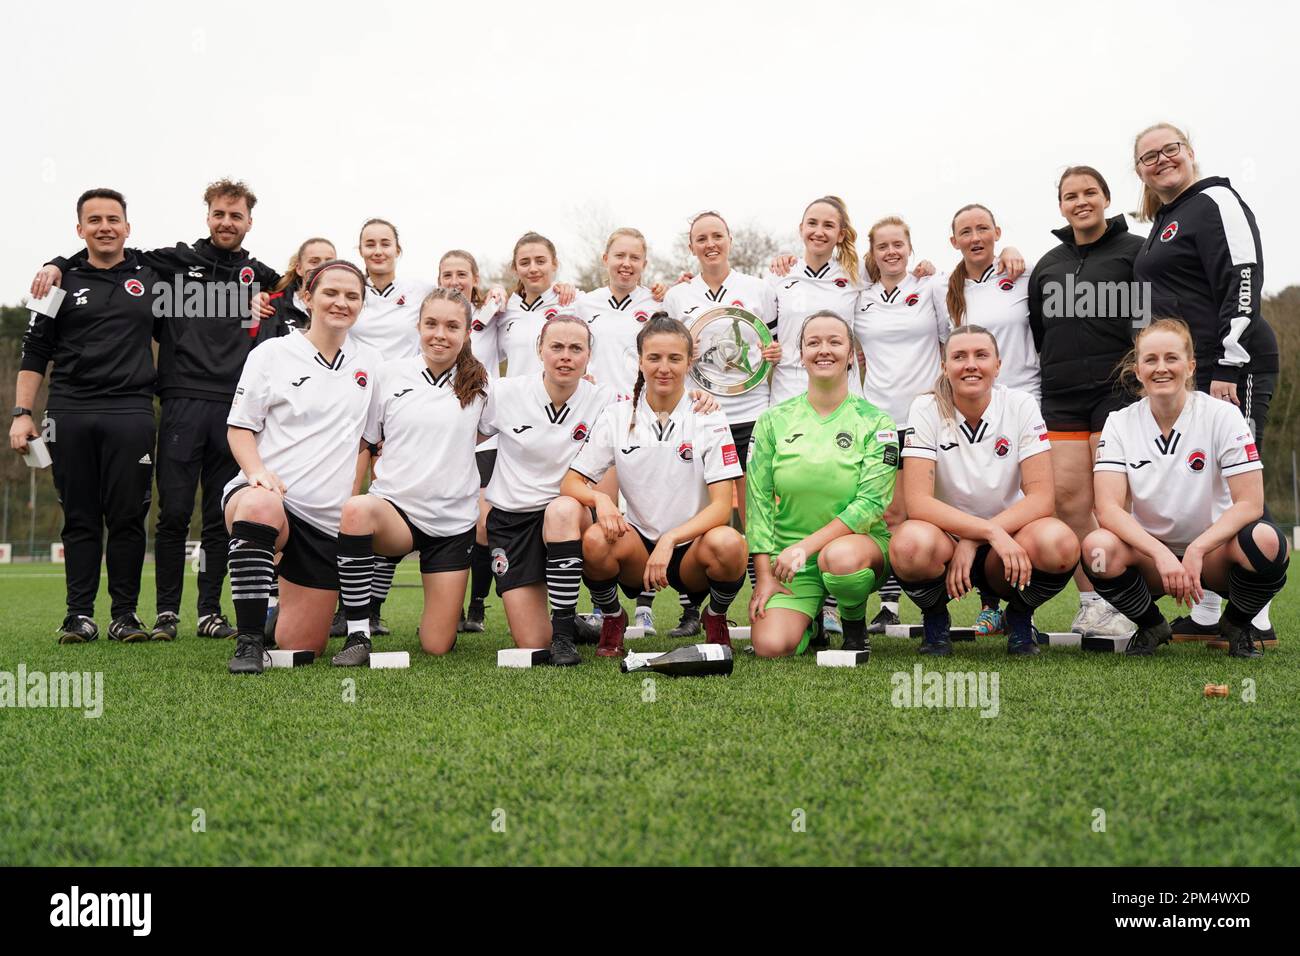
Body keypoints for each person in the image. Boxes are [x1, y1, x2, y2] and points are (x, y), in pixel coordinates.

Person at [31, 179, 280, 642]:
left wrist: (272, 300)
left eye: (237, 215)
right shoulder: (171, 262)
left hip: (234, 409)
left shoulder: (258, 276)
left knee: (220, 518)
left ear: (249, 221)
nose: (227, 222)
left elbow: (300, 285)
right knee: (173, 513)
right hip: (179, 400)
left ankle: (210, 611)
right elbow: (104, 256)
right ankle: (167, 612)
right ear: (207, 216)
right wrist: (57, 263)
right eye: (220, 214)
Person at [1130, 122, 1280, 646]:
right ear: (1140, 171)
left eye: (1170, 149)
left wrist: (1228, 366)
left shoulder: (1216, 199)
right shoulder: (1166, 219)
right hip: (1187, 370)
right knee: (1205, 486)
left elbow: (1243, 276)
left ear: (1190, 152)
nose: (1161, 160)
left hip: (1228, 365)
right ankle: (1208, 612)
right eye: (1149, 156)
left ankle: (1255, 618)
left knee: (1239, 483)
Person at [1082, 319, 1288, 657]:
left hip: (1214, 556)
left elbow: (1250, 503)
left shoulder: (1223, 416)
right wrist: (1161, 553)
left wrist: (1197, 550)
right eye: (1151, 360)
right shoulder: (1119, 422)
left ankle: (1236, 625)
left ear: (1190, 366)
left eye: (1171, 358)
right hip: (1152, 557)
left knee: (1267, 542)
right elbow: (1107, 509)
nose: (1161, 368)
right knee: (1097, 550)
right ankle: (1152, 626)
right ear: (1138, 369)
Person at [12, 188, 160, 643]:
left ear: (127, 227)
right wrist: (21, 413)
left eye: (113, 218)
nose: (104, 226)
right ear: (80, 230)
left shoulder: (151, 275)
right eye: (93, 220)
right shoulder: (59, 281)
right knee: (78, 515)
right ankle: (78, 615)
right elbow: (35, 350)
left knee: (128, 516)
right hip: (68, 411)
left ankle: (125, 615)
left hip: (132, 411)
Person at [221, 260, 381, 674]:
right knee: (260, 507)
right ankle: (248, 642)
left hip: (325, 522)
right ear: (307, 297)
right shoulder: (272, 353)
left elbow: (373, 438)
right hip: (267, 500)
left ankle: (269, 614)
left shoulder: (372, 364)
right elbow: (239, 429)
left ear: (362, 305)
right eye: (331, 293)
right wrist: (256, 473)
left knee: (302, 645)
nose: (341, 303)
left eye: (352, 296)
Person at [560, 315, 748, 657]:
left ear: (689, 362)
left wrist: (671, 538)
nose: (664, 368)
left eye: (675, 358)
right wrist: (601, 501)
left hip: (690, 548)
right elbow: (571, 483)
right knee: (595, 539)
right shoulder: (617, 416)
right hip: (637, 548)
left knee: (731, 543)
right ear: (640, 360)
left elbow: (722, 508)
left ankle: (715, 616)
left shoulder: (709, 415)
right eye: (654, 358)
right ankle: (614, 618)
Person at [890, 326, 1079, 655]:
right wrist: (981, 532)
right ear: (944, 366)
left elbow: (1042, 497)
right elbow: (917, 502)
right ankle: (935, 617)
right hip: (946, 543)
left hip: (1007, 543)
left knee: (1060, 544)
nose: (970, 364)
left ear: (998, 365)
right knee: (907, 545)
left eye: (981, 355)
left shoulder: (1021, 405)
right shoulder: (924, 408)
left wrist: (980, 536)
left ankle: (1019, 616)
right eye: (959, 356)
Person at [331, 288, 488, 665]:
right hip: (396, 513)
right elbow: (365, 444)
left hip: (452, 527)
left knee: (437, 645)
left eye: (452, 326)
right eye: (431, 323)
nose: (440, 334)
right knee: (356, 511)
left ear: (467, 333)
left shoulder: (483, 386)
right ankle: (357, 632)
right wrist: (346, 501)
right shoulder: (388, 374)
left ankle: (440, 618)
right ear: (417, 326)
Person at [1027, 166, 1144, 640]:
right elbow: (1039, 329)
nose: (1081, 201)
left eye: (1089, 193)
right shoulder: (1048, 263)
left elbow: (1150, 315)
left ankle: (1127, 600)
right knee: (1069, 501)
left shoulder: (1136, 252)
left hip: (1118, 390)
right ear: (1061, 205)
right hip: (1062, 394)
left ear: (1106, 198)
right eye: (1071, 195)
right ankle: (1092, 600)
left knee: (1112, 501)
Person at [747, 311, 897, 658]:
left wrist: (808, 547)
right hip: (789, 558)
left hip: (853, 549)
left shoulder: (877, 421)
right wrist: (766, 576)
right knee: (770, 647)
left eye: (834, 341)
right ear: (801, 354)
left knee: (840, 557)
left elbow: (871, 503)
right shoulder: (773, 421)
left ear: (851, 355)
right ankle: (812, 622)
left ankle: (854, 624)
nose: (823, 350)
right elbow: (758, 500)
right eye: (813, 343)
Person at [478, 316, 615, 665]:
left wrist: (699, 398)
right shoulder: (505, 393)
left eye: (575, 348)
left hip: (567, 517)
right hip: (512, 522)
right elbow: (460, 436)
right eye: (556, 347)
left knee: (562, 508)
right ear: (540, 350)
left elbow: (654, 408)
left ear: (588, 355)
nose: (565, 356)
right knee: (532, 642)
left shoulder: (604, 400)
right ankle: (574, 625)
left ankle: (565, 637)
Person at [662, 211, 779, 606]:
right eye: (701, 238)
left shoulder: (759, 289)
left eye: (717, 236)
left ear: (730, 240)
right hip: (701, 416)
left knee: (755, 512)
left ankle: (762, 591)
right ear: (691, 246)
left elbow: (771, 345)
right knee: (695, 511)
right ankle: (690, 609)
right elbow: (668, 353)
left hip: (751, 412)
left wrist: (774, 353)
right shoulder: (677, 296)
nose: (710, 244)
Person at [934, 203, 1040, 638]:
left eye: (983, 229)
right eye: (965, 231)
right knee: (975, 492)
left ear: (997, 232)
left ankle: (1019, 610)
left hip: (1022, 401)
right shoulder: (943, 288)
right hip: (967, 403)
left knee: (1018, 499)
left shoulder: (1025, 274)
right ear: (953, 240)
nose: (975, 237)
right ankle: (988, 604)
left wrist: (1017, 251)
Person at [574, 228, 678, 637]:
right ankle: (603, 606)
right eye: (619, 255)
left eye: (635, 257)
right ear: (605, 258)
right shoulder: (585, 303)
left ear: (644, 263)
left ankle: (645, 608)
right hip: (598, 418)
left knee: (643, 507)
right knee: (601, 511)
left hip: (645, 416)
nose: (626, 264)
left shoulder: (658, 303)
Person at [438, 249, 507, 633]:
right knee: (451, 521)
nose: (454, 280)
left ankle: (476, 606)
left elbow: (521, 300)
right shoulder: (434, 318)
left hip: (483, 435)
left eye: (462, 273)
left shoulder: (493, 314)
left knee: (483, 523)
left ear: (475, 278)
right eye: (447, 274)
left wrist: (499, 291)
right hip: (443, 437)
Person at [265, 237, 336, 333]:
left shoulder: (344, 305)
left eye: (329, 262)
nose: (322, 267)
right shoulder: (273, 305)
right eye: (314, 262)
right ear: (299, 269)